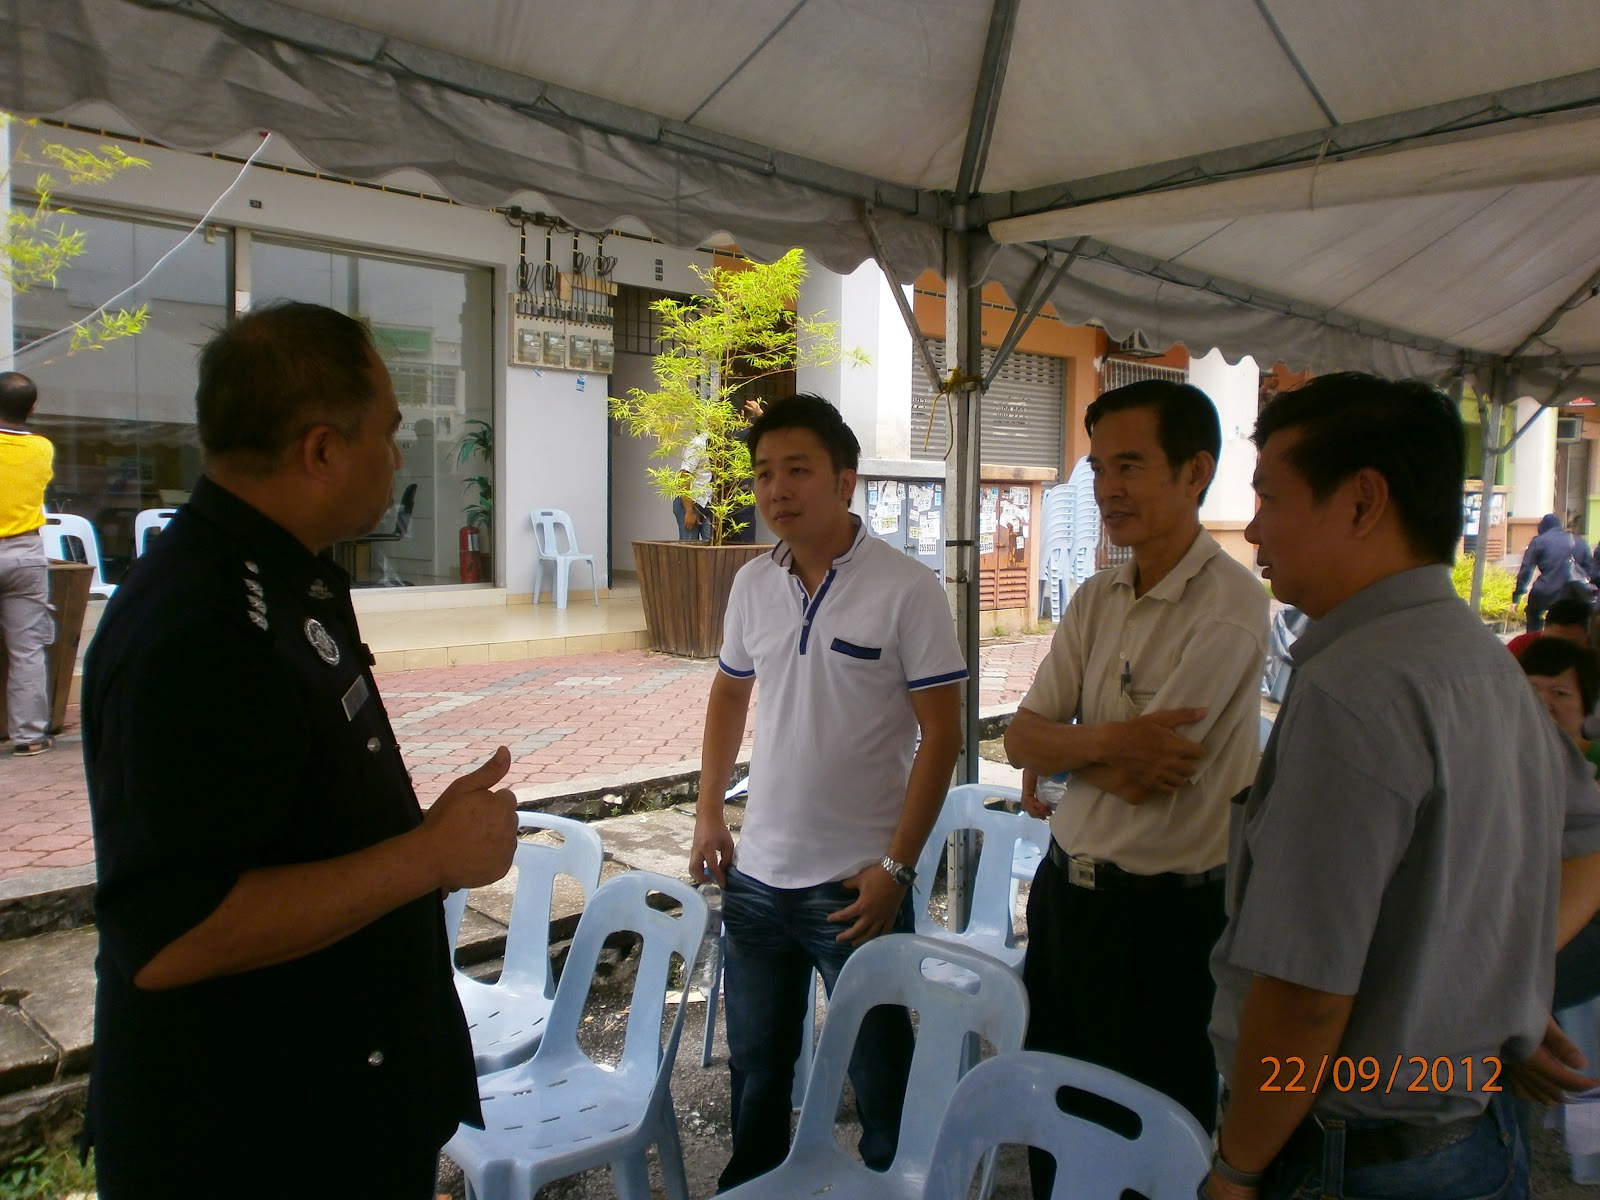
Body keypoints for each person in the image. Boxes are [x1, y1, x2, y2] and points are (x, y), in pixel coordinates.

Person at [82, 302, 520, 1198]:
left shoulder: (282, 575)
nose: (399, 458)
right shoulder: (202, 627)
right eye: (389, 434)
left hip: (337, 1105)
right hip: (257, 1142)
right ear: (321, 451)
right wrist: (428, 856)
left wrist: (416, 839)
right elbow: (175, 932)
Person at [1205, 372, 1600, 1200]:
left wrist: (1237, 1169)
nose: (1254, 527)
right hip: (1476, 1137)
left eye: (1271, 498)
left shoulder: (1356, 690)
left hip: (1363, 1157)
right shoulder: (1485, 664)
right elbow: (1583, 853)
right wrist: (1500, 998)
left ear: (1360, 503)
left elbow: (1306, 995)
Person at [689, 393, 965, 1189]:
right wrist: (711, 812)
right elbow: (729, 695)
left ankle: (894, 1179)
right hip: (756, 879)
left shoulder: (907, 589)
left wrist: (899, 870)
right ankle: (756, 1183)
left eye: (797, 470)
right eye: (764, 473)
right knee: (756, 1068)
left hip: (856, 887)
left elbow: (941, 737)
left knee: (879, 1068)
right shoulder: (752, 584)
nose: (776, 489)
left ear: (845, 481)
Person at [1003, 379, 1268, 1195]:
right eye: (1097, 468)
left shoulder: (1230, 603)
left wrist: (1067, 751)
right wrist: (1108, 745)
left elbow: (1157, 778)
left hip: (1164, 920)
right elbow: (1019, 733)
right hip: (1066, 899)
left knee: (1148, 1129)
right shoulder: (1095, 596)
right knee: (1050, 1109)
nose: (1108, 488)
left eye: (1129, 465)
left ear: (1196, 472)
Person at [0, 372, 55, 757]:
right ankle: (30, 736)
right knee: (27, 651)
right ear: (32, 408)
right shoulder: (43, 449)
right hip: (24, 555)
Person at [1513, 512, 1595, 631]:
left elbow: (1526, 570)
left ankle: (1536, 642)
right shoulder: (1580, 542)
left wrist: (1518, 596)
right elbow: (1589, 570)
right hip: (1574, 593)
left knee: (1533, 615)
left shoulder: (1538, 541)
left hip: (1545, 592)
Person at [1507, 595, 1592, 659]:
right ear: (1544, 629)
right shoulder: (1522, 646)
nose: (1557, 650)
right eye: (1550, 641)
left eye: (1569, 645)